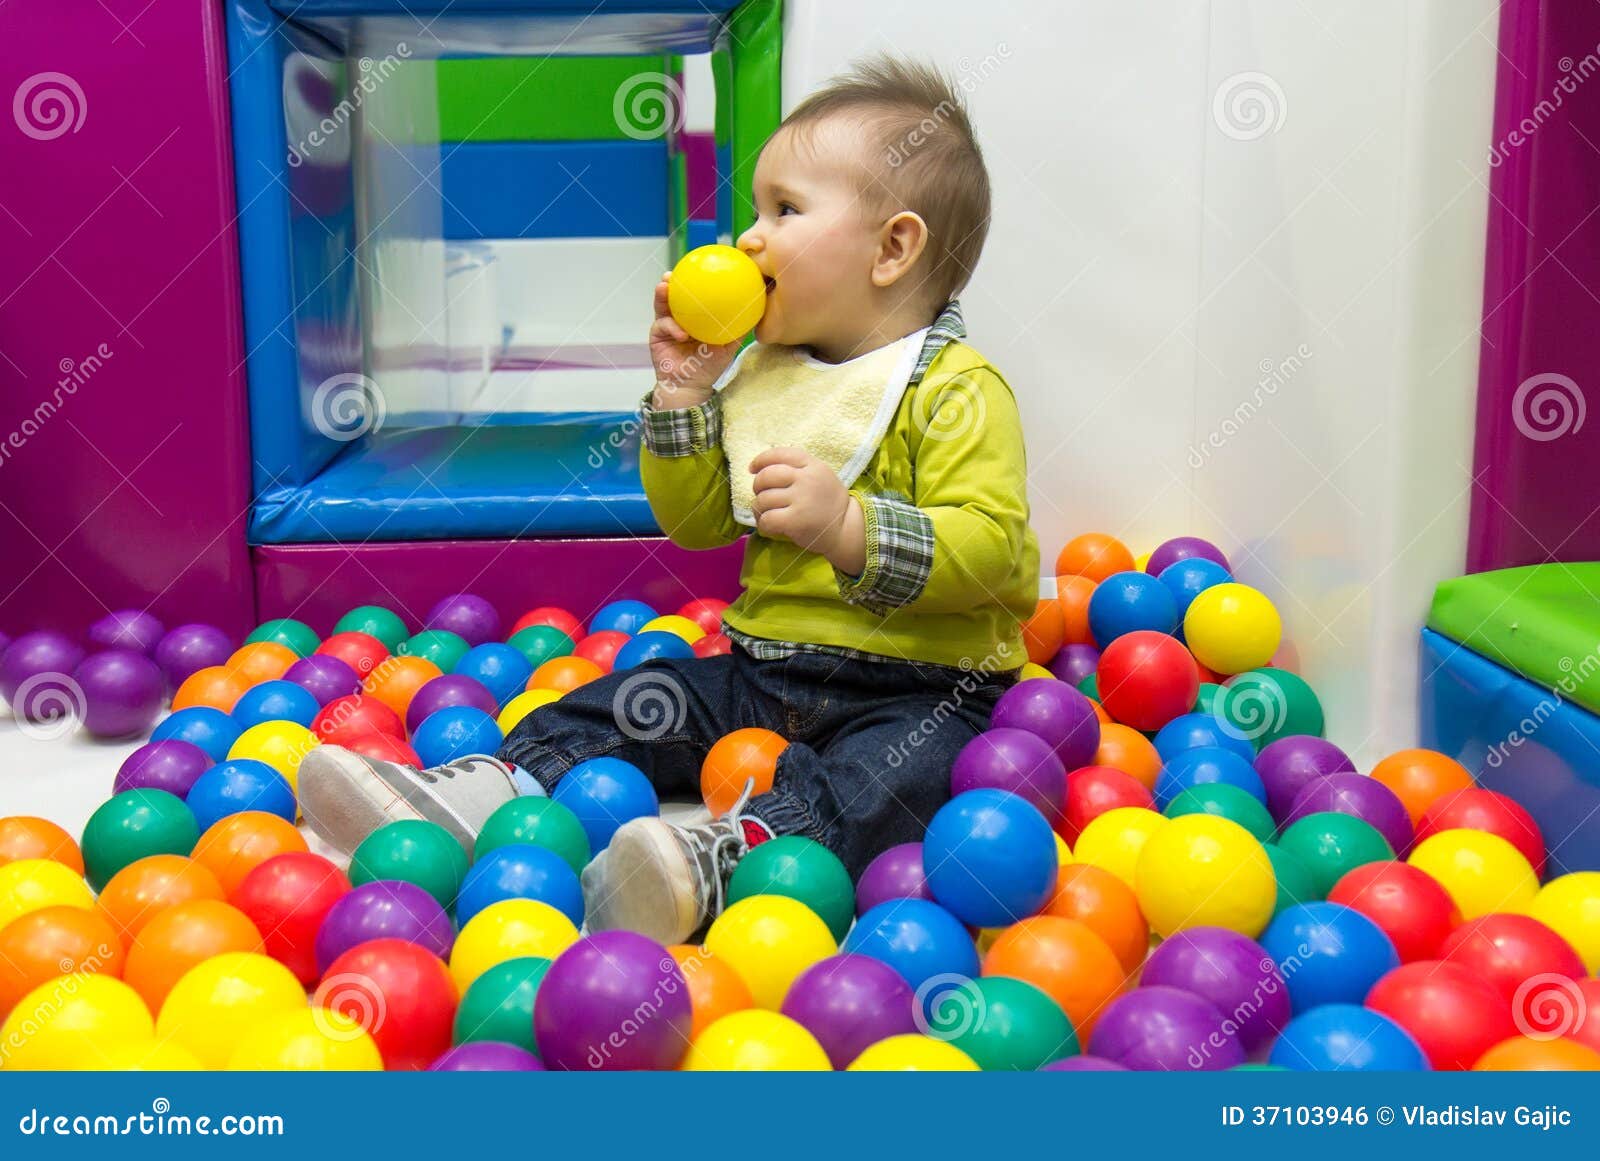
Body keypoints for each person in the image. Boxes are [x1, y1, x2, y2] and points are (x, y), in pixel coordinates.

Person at [300, 55, 1039, 945]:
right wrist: (686, 397)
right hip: (763, 675)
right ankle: (482, 789)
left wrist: (851, 527)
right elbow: (696, 525)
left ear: (893, 247)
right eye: (756, 209)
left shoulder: (954, 390)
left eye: (786, 210)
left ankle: (738, 859)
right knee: (623, 699)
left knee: (898, 782)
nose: (750, 238)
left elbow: (997, 556)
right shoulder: (769, 376)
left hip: (918, 688)